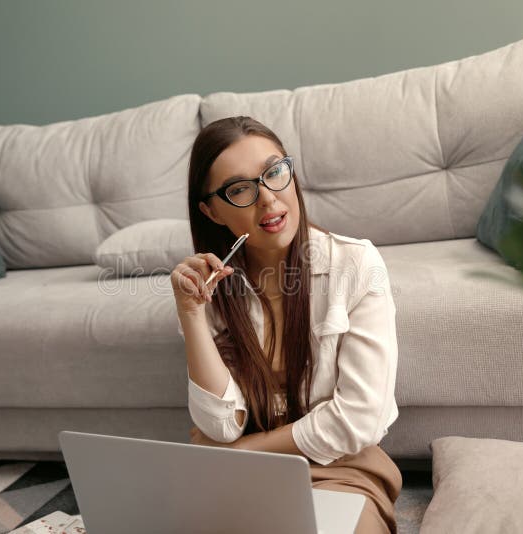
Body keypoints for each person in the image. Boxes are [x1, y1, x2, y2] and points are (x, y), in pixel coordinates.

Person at [171, 116, 402, 534]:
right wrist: (190, 314)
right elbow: (221, 427)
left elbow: (359, 420)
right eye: (240, 189)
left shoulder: (356, 265)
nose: (268, 199)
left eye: (275, 172)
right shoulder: (212, 286)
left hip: (339, 470)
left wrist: (241, 453)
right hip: (241, 480)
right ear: (211, 211)